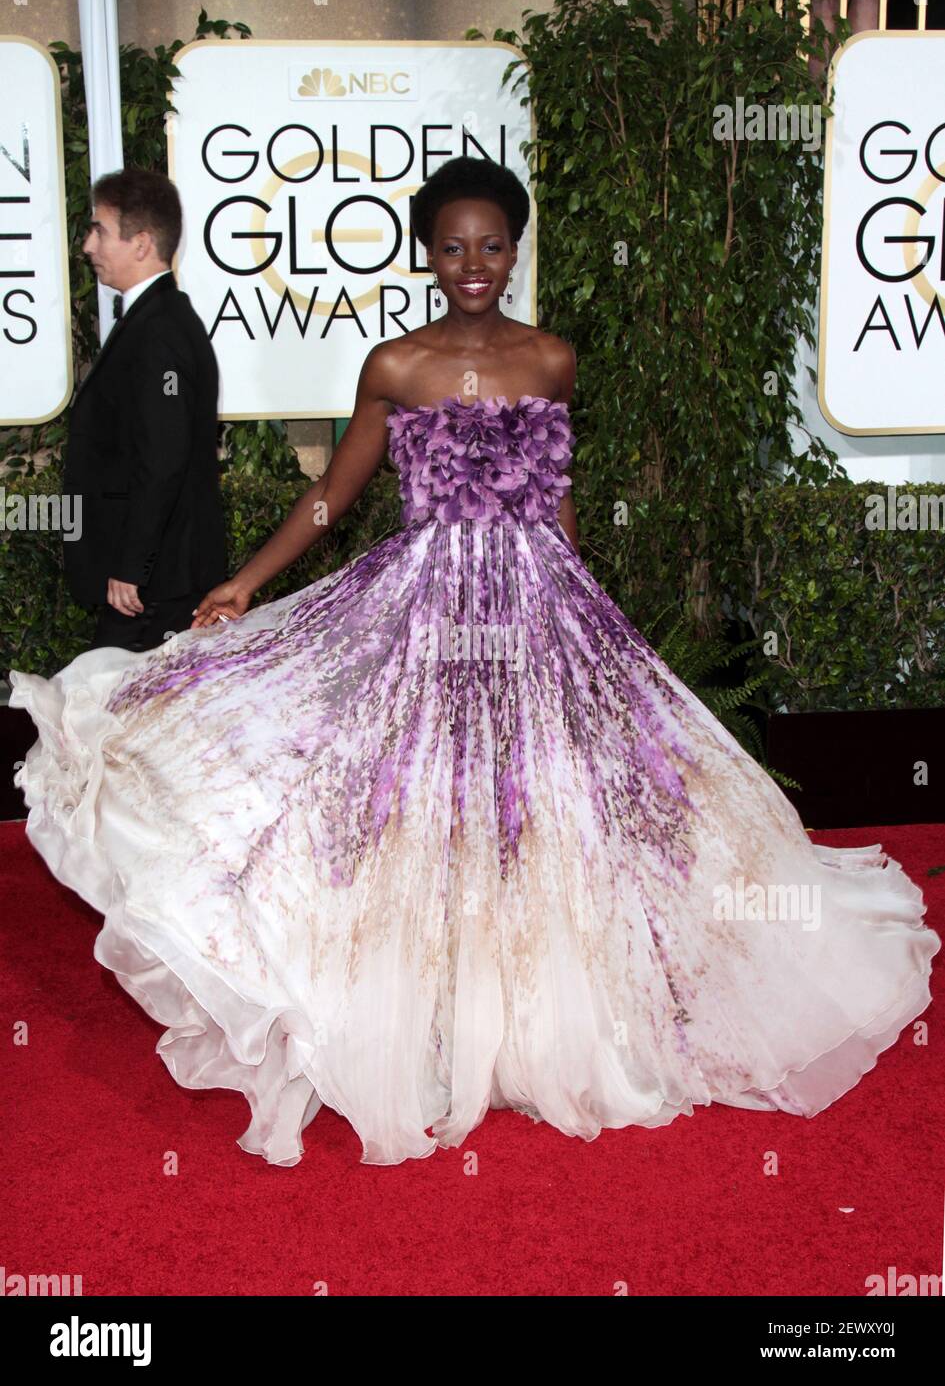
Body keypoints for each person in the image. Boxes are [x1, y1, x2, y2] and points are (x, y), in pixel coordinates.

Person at [10, 155, 940, 1168]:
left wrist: (587, 602)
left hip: (541, 610)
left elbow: (557, 491)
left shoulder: (551, 360)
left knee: (537, 805)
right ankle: (441, 1007)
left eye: (491, 245)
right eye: (452, 247)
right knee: (420, 803)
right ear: (427, 253)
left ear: (514, 249)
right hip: (426, 611)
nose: (473, 265)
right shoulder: (396, 365)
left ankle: (541, 1010)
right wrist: (245, 579)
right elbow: (335, 500)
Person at [65, 168, 226, 652]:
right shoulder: (154, 321)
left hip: (155, 586)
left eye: (99, 231)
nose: (88, 246)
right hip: (153, 580)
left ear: (140, 243)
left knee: (121, 717)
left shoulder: (160, 332)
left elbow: (164, 457)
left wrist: (132, 566)